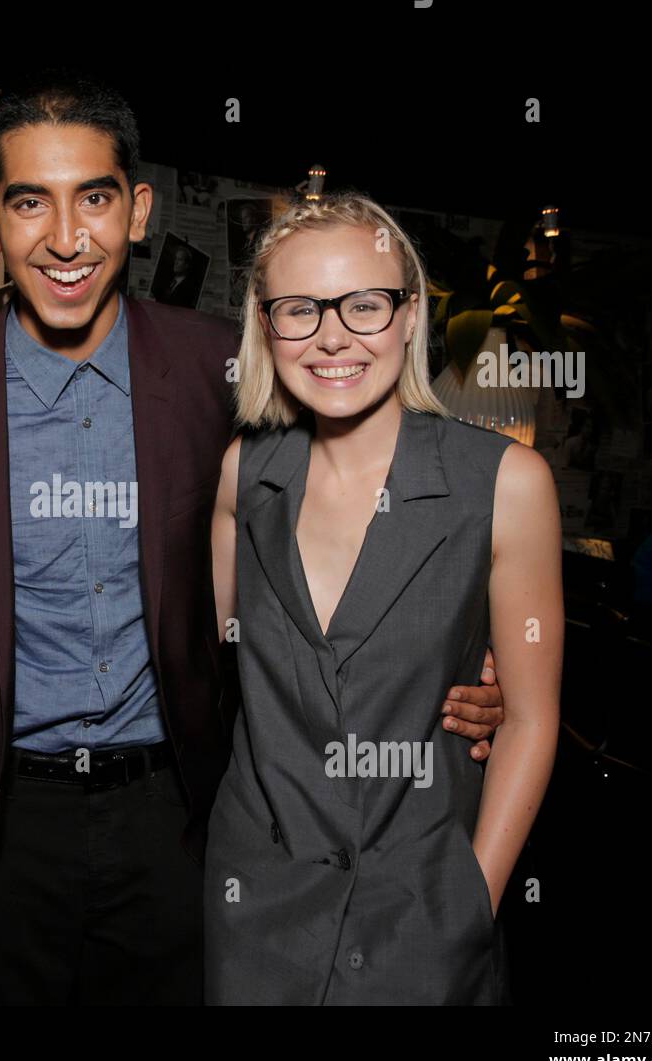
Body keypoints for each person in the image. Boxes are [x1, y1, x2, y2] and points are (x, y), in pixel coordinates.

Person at [0, 74, 508, 1005]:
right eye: (31, 202)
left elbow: (344, 528)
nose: (67, 238)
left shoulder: (226, 373)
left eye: (96, 199)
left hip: (183, 808)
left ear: (140, 210)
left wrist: (468, 663)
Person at [204, 193, 563, 1004]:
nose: (334, 336)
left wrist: (474, 898)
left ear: (409, 317)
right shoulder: (242, 475)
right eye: (301, 309)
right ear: (266, 326)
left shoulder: (507, 483)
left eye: (364, 304)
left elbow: (534, 719)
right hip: (255, 909)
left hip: (423, 912)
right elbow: (234, 669)